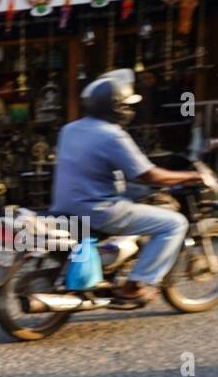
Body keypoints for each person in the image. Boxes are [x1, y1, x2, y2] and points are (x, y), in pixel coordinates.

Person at [50, 69, 204, 305]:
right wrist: (190, 176)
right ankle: (135, 285)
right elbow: (150, 175)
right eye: (126, 104)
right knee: (174, 223)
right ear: (117, 107)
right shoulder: (112, 135)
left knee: (137, 198)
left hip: (64, 206)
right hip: (99, 211)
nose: (129, 109)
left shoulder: (69, 129)